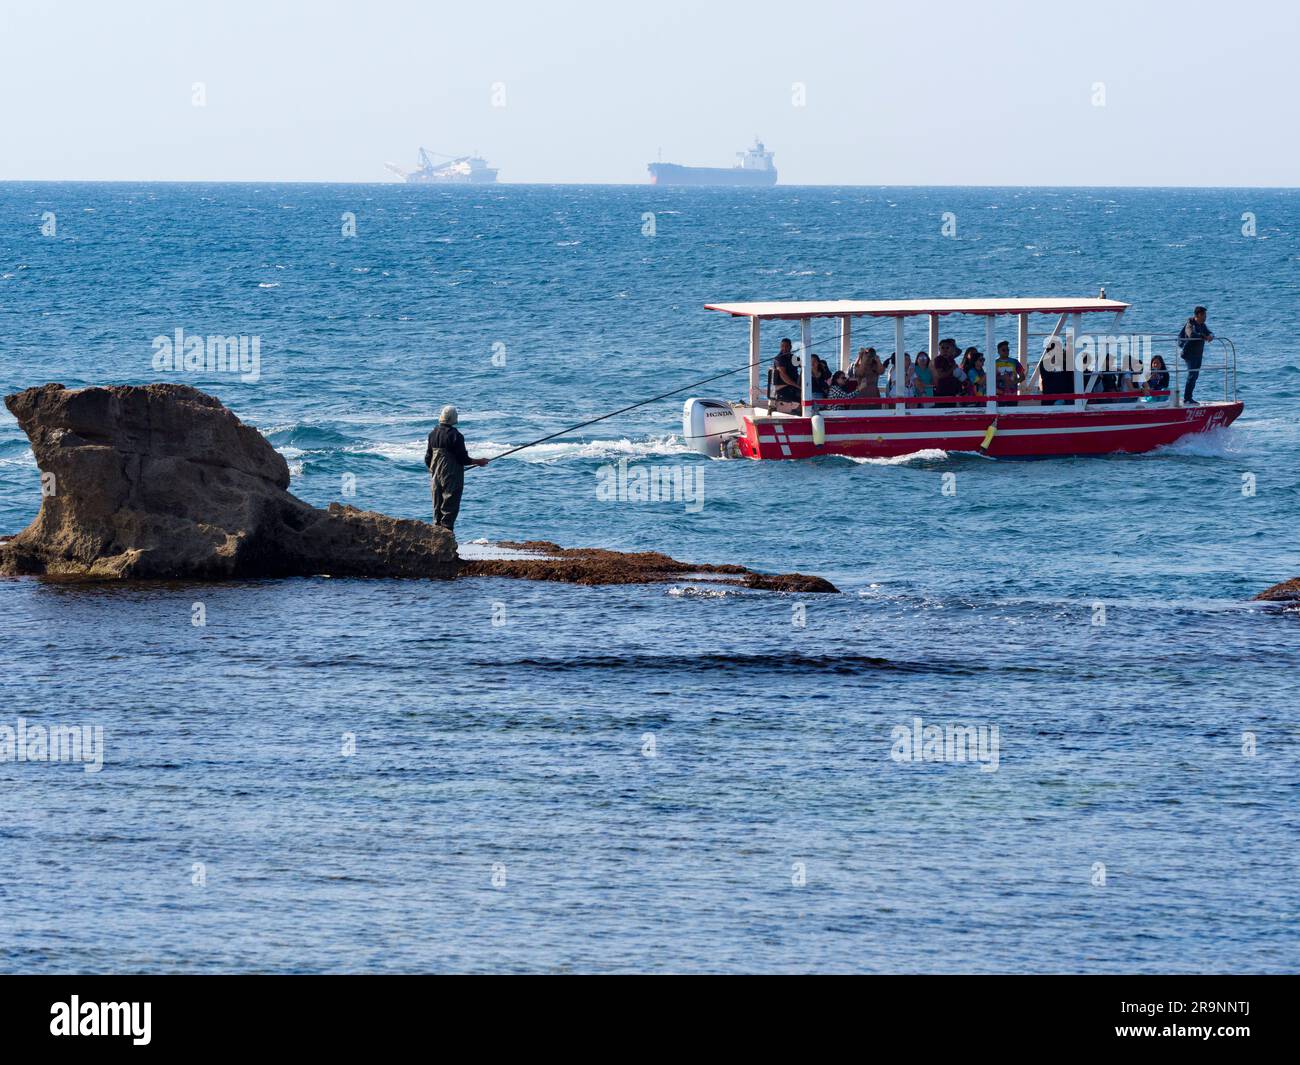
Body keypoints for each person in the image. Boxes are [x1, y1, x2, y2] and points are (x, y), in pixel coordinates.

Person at [424, 405, 489, 533]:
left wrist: (436, 471)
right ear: (454, 418)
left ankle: (435, 534)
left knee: (437, 506)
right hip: (452, 476)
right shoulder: (456, 436)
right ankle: (447, 537)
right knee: (450, 506)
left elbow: (428, 458)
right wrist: (479, 462)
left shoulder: (432, 434)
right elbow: (463, 459)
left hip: (435, 476)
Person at [1178, 306, 1213, 404]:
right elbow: (1191, 334)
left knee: (1195, 376)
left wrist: (1211, 336)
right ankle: (1187, 398)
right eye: (1204, 315)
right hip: (1189, 354)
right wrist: (1204, 337)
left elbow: (1210, 332)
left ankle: (1189, 397)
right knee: (1192, 375)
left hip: (1198, 354)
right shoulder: (1190, 324)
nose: (1205, 317)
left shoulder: (1203, 325)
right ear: (1198, 315)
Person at [770, 338, 800, 409]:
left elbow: (804, 365)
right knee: (803, 395)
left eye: (787, 346)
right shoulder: (779, 359)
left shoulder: (793, 358)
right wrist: (798, 386)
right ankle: (798, 411)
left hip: (794, 386)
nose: (784, 348)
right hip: (784, 388)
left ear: (790, 347)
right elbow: (784, 376)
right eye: (782, 346)